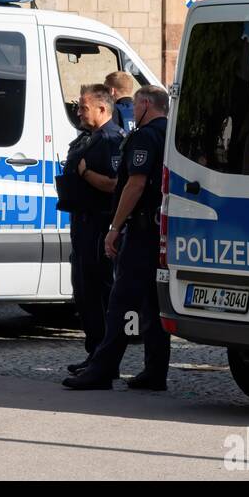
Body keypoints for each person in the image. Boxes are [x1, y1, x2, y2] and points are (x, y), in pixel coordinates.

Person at [64, 85, 171, 391]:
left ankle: (102, 369)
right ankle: (155, 370)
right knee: (152, 304)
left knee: (121, 302)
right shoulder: (172, 136)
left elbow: (134, 184)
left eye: (136, 107)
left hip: (141, 230)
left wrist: (115, 226)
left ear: (147, 105)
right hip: (161, 227)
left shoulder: (145, 136)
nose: (132, 112)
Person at [56, 84, 123, 374]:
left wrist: (85, 173)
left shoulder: (111, 139)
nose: (79, 112)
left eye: (84, 107)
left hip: (97, 225)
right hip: (81, 224)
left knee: (98, 293)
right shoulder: (89, 138)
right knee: (83, 294)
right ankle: (93, 353)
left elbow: (113, 185)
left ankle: (104, 360)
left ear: (102, 108)